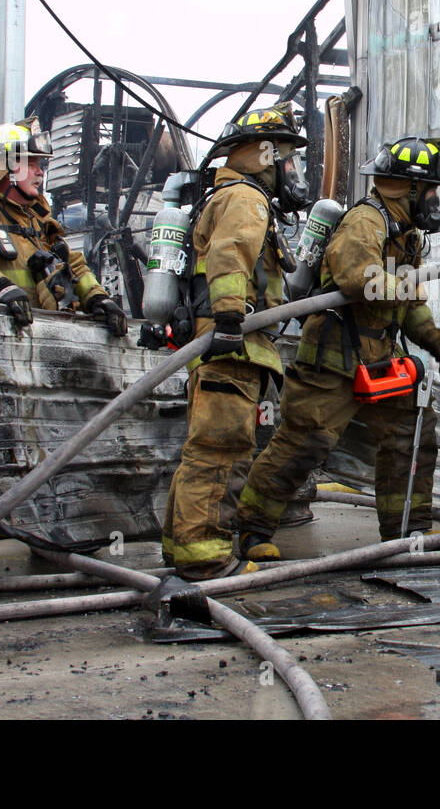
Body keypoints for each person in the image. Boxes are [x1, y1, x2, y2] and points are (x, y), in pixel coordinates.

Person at [234, 136, 440, 560]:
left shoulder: (405, 234)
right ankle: (251, 529)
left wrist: (435, 342)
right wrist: (406, 287)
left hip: (381, 363)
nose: (433, 200)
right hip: (332, 361)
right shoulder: (366, 222)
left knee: (411, 436)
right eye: (429, 190)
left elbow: (410, 304)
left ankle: (407, 531)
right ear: (404, 189)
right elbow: (359, 279)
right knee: (304, 445)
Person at [0, 116, 127, 566]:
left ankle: (45, 532)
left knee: (43, 443)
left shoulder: (41, 222)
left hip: (35, 358)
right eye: (33, 163)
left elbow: (72, 265)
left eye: (42, 164)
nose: (41, 172)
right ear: (6, 166)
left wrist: (99, 298)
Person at [160, 102, 312, 580]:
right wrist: (229, 318)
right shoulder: (246, 199)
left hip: (229, 342)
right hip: (232, 342)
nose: (294, 169)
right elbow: (230, 255)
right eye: (289, 158)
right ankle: (205, 560)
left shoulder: (226, 194)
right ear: (264, 155)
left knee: (207, 448)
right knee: (221, 450)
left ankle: (184, 548)